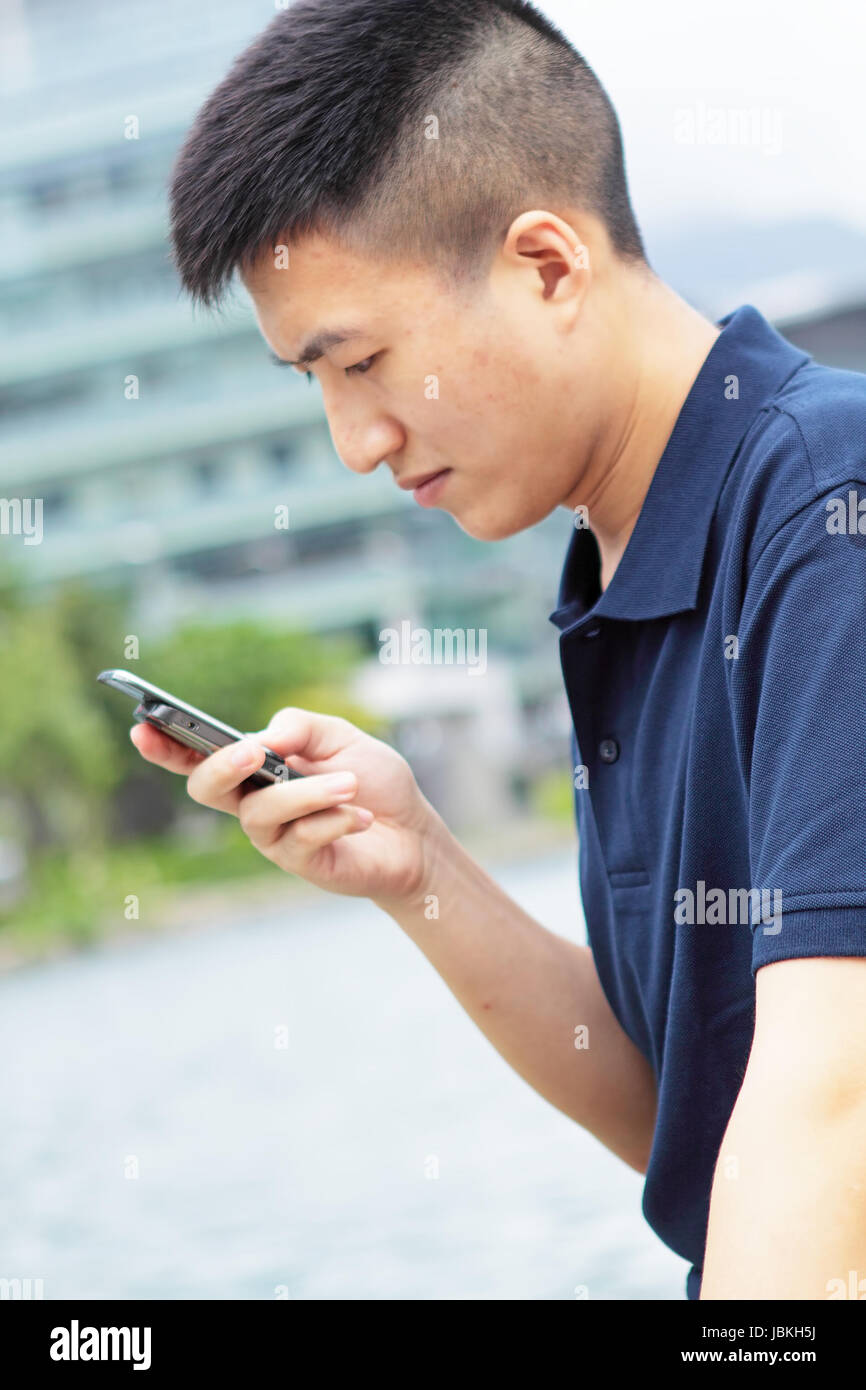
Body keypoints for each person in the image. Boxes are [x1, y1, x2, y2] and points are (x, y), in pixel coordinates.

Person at [132, 0, 866, 1299]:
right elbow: (689, 1132)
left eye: (360, 361)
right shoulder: (627, 572)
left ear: (546, 265)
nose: (353, 441)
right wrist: (417, 865)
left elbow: (831, 1114)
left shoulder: (824, 506)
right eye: (311, 382)